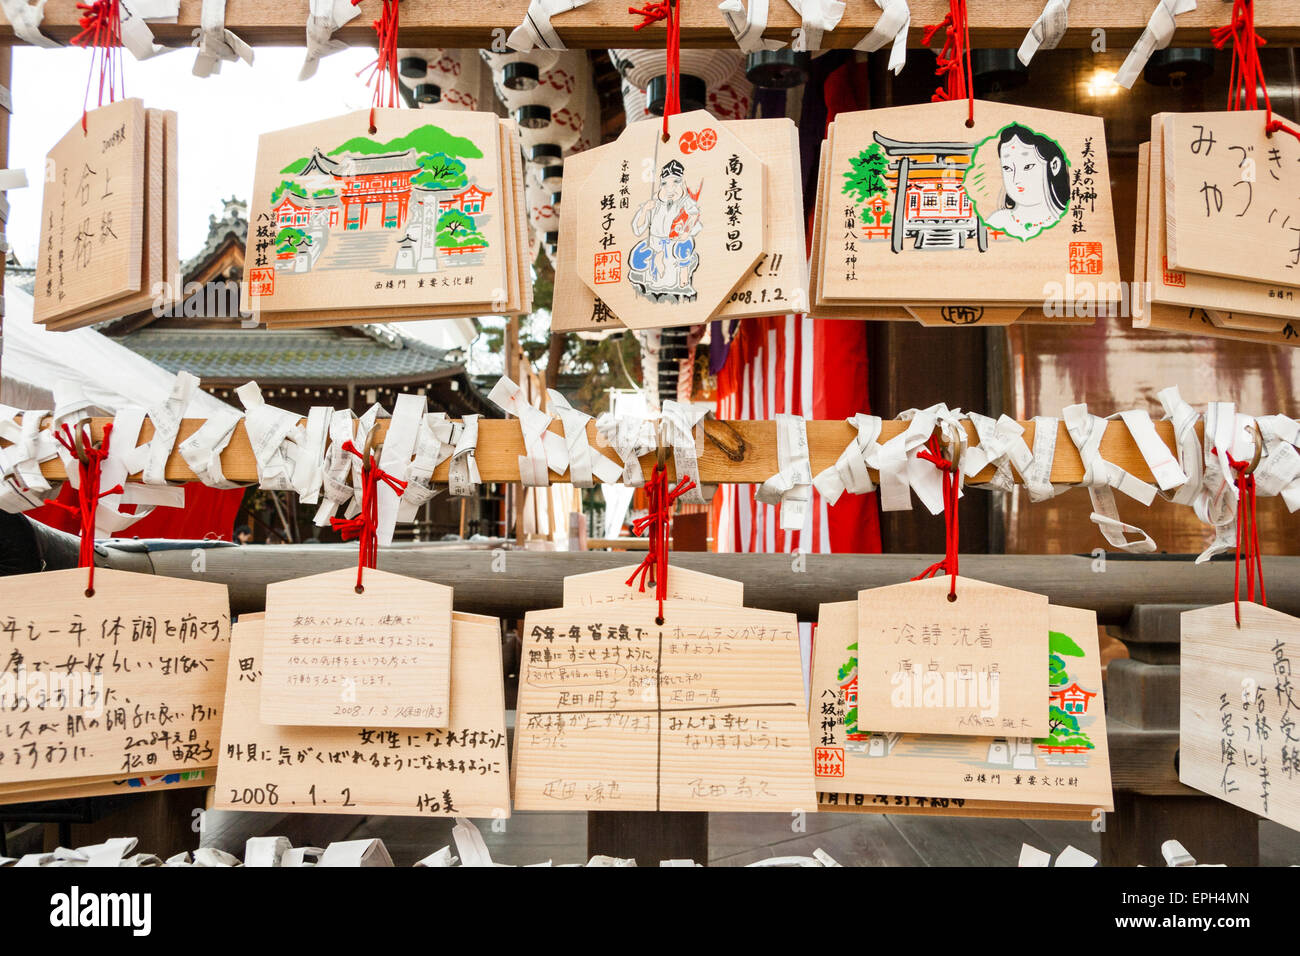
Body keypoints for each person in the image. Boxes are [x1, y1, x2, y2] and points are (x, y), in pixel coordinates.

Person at [627, 159, 702, 302]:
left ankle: (683, 276)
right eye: (665, 183)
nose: (670, 188)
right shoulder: (653, 203)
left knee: (686, 244)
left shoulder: (686, 203)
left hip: (675, 246)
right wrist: (644, 211)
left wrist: (685, 231)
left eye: (676, 182)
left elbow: (694, 219)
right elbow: (638, 229)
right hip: (655, 245)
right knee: (639, 258)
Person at [980, 123, 1069, 241]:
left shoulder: (1068, 220)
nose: (1016, 179)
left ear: (1054, 166)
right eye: (1007, 168)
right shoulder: (996, 222)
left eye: (1027, 166)